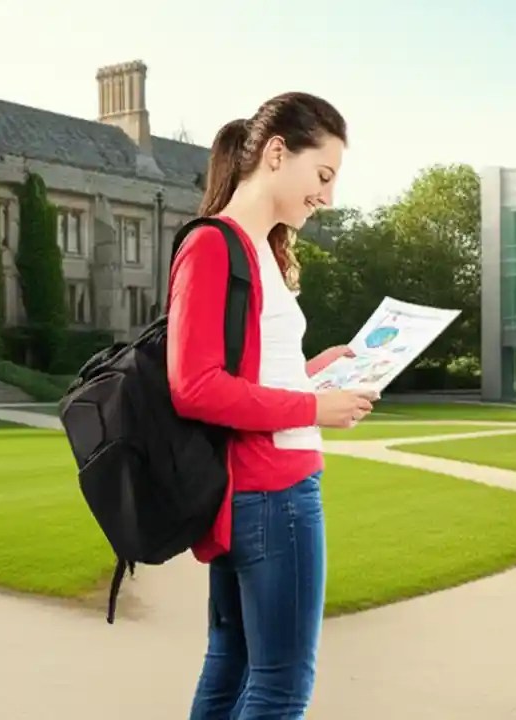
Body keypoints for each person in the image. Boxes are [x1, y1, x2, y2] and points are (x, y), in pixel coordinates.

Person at [166, 91, 377, 719]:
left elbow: (248, 373)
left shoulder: (257, 249)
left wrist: (313, 376)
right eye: (323, 175)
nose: (328, 197)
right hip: (272, 495)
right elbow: (194, 386)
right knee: (282, 687)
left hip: (260, 494)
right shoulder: (214, 245)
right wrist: (313, 410)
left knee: (232, 668)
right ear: (277, 153)